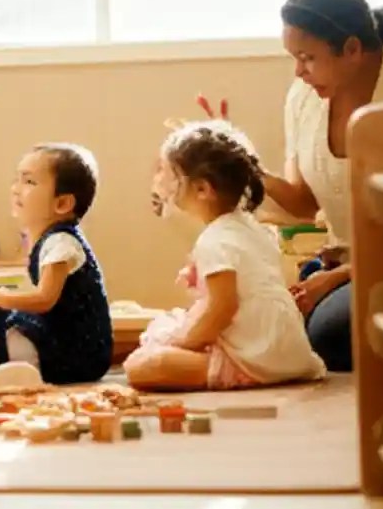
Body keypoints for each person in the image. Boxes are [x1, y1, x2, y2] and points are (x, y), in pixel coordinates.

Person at [197, 0, 383, 372]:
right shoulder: (304, 97)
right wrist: (240, 160)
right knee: (263, 322)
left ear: (353, 49)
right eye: (294, 58)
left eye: (307, 58)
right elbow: (303, 203)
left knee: (326, 335)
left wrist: (338, 277)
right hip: (344, 263)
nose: (298, 72)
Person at [126, 122, 326, 391]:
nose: (161, 182)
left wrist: (183, 344)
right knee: (168, 330)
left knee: (142, 365)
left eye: (169, 174)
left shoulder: (215, 240)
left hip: (255, 359)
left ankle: (229, 372)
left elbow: (222, 308)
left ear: (202, 190)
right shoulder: (250, 226)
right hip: (286, 351)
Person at [0, 143, 113, 384]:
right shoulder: (48, 241)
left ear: (62, 204)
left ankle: (27, 376)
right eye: (17, 180)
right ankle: (4, 368)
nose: (16, 189)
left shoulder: (61, 243)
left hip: (80, 352)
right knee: (3, 315)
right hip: (64, 339)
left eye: (29, 182)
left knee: (16, 320)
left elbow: (44, 299)